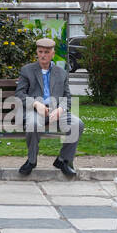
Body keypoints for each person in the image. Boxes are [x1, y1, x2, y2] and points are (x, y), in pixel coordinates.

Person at [15, 37, 84, 177]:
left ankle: (63, 160)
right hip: (34, 110)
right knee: (33, 123)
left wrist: (61, 109)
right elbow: (20, 94)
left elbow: (67, 97)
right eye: (40, 51)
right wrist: (35, 104)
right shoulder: (27, 70)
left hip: (55, 112)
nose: (43, 55)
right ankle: (32, 160)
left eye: (46, 52)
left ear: (52, 53)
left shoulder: (61, 72)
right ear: (37, 52)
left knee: (78, 124)